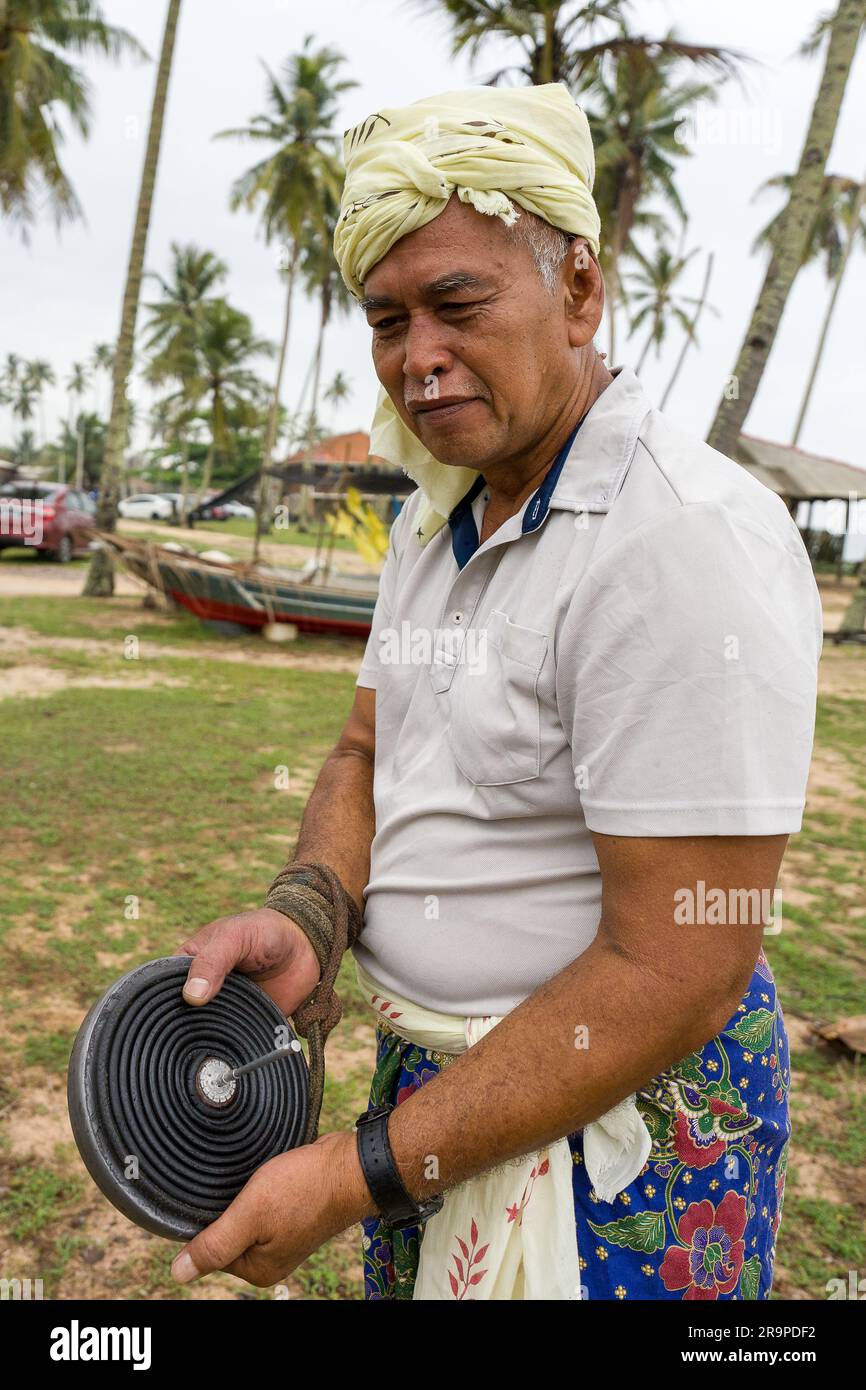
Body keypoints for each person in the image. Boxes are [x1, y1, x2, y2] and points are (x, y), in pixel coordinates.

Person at [170, 82, 821, 1300]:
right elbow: (368, 751)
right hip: (441, 1105)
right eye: (384, 319)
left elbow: (681, 964)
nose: (416, 359)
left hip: (618, 1143)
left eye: (455, 303)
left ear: (578, 287)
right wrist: (308, 915)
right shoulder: (437, 515)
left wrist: (353, 1173)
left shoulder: (675, 540)